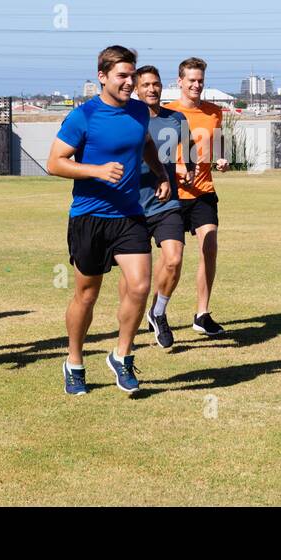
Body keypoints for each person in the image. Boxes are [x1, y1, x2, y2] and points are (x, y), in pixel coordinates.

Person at [46, 46, 170, 395]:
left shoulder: (138, 111)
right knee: (87, 295)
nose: (130, 82)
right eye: (122, 76)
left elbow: (143, 142)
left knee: (141, 285)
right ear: (102, 77)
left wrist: (160, 173)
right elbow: (55, 163)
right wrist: (95, 170)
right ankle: (74, 361)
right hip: (89, 216)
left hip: (129, 214)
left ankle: (123, 355)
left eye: (132, 76)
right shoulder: (82, 117)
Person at [163, 57, 230, 336]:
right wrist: (177, 168)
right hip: (174, 194)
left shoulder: (214, 112)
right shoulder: (166, 113)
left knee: (209, 247)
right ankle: (159, 311)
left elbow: (219, 142)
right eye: (191, 80)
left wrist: (222, 158)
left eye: (200, 80)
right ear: (180, 81)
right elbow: (155, 155)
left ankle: (202, 314)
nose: (196, 85)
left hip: (204, 192)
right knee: (171, 259)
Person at [133, 65, 190, 350]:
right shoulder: (127, 120)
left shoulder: (177, 119)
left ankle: (158, 311)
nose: (152, 89)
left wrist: (187, 168)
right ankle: (127, 329)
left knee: (174, 259)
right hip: (131, 208)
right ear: (135, 88)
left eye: (155, 84)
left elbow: (189, 155)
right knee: (136, 280)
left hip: (167, 203)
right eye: (145, 85)